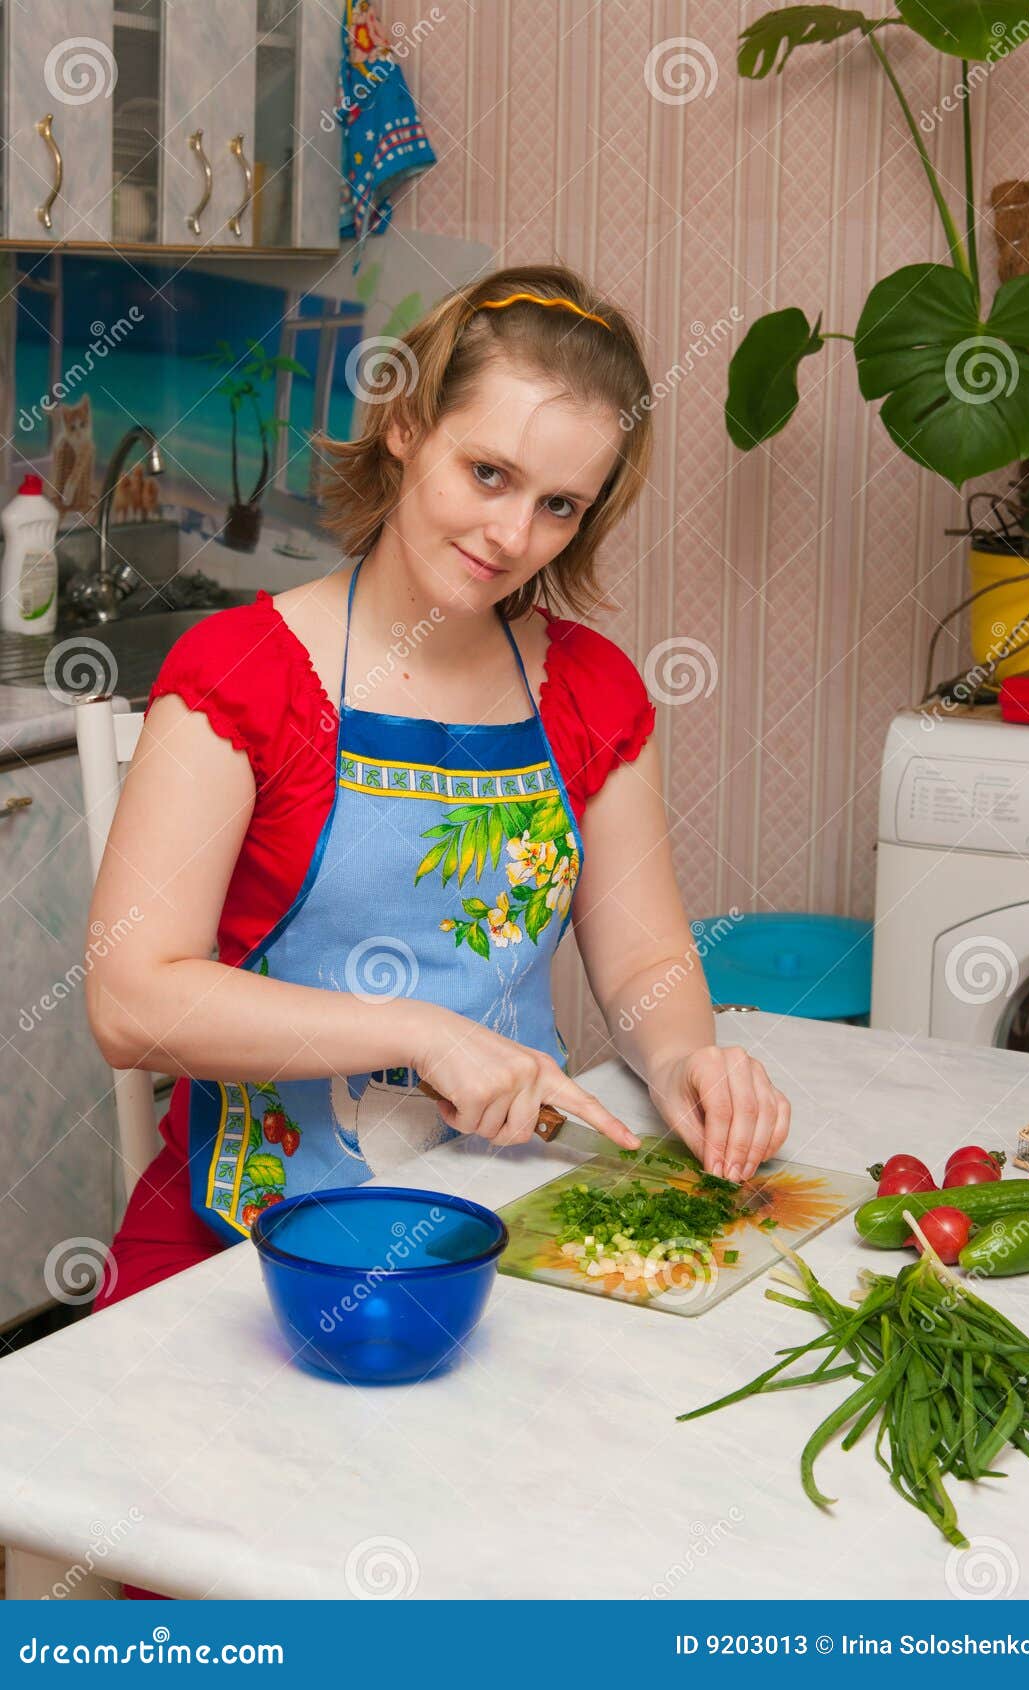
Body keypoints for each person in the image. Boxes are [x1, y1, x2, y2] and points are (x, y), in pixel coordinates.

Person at [86, 260, 791, 1313]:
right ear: (406, 425)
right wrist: (419, 1031)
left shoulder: (590, 690)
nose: (513, 538)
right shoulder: (245, 676)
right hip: (249, 1247)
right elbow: (128, 999)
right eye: (489, 474)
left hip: (502, 1220)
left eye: (559, 505)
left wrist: (689, 1055)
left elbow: (643, 958)